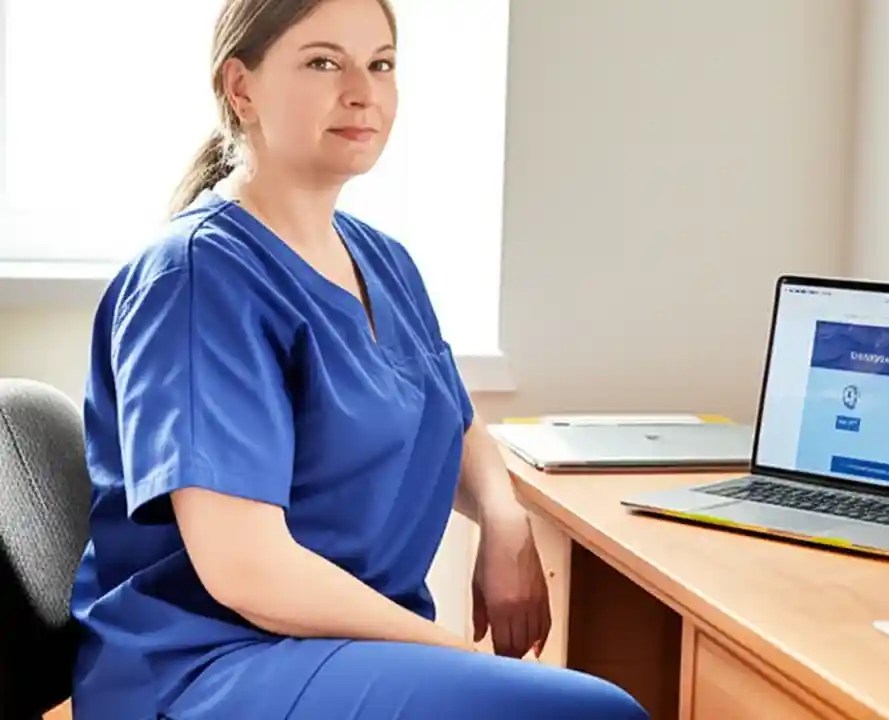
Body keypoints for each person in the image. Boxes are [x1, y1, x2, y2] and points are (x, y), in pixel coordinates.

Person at [68, 0, 647, 717]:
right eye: (323, 62)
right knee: (589, 712)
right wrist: (453, 653)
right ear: (240, 89)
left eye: (381, 64)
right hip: (209, 663)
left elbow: (453, 419)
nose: (363, 92)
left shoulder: (383, 261)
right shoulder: (196, 276)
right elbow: (248, 572)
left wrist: (503, 518)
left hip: (342, 649)